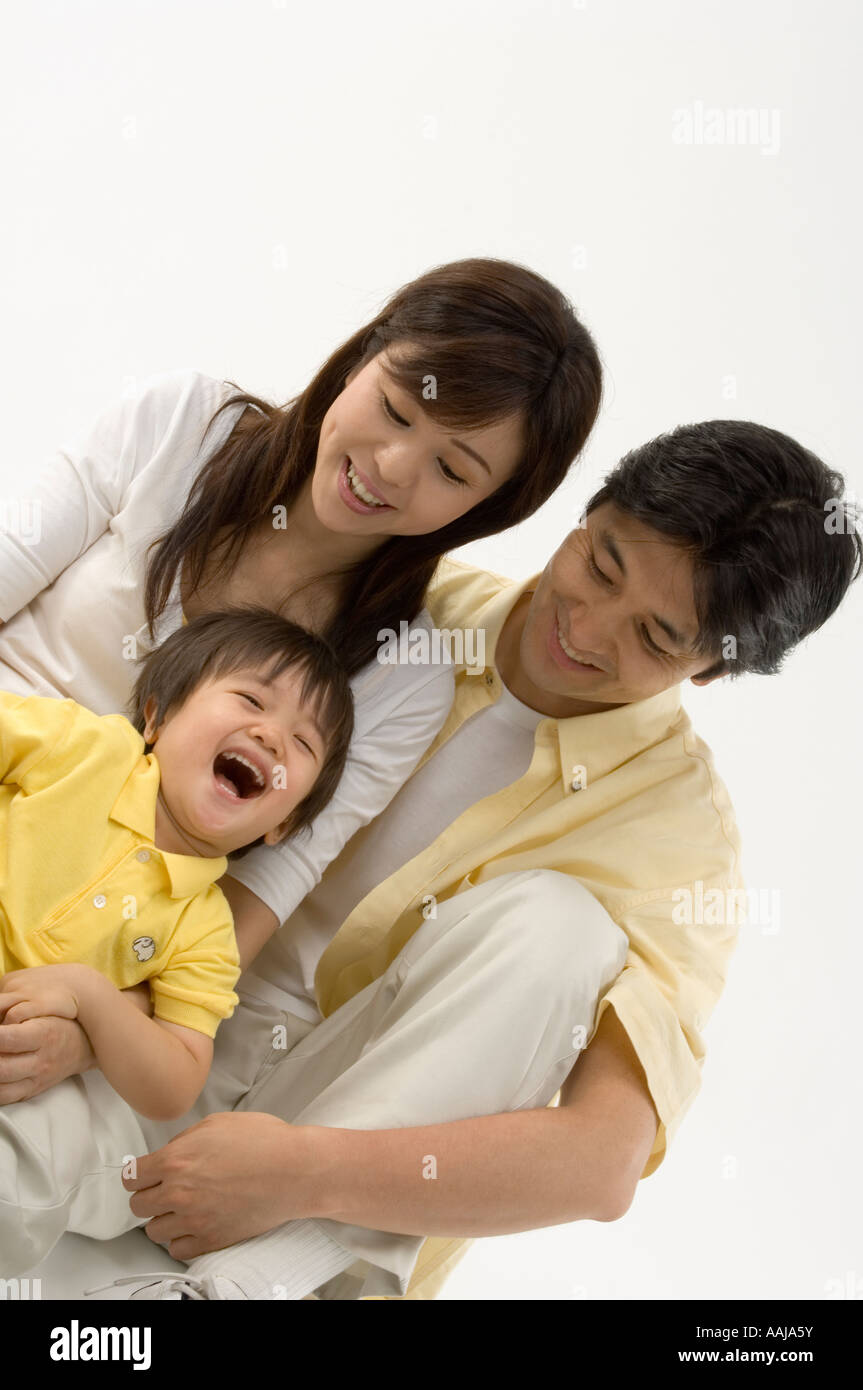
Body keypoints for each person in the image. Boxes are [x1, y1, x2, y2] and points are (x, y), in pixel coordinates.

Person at [6, 411, 859, 1299]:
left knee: (559, 927)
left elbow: (600, 1160)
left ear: (710, 672)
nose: (589, 629)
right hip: (138, 1038)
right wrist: (95, 1014)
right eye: (599, 565)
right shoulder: (399, 606)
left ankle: (236, 1291)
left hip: (321, 1159)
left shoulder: (679, 837)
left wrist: (304, 1169)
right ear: (585, 511)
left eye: (654, 638)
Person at [0, 257, 603, 1284]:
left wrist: (86, 1016)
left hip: (90, 955)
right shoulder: (183, 428)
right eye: (399, 404)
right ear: (367, 351)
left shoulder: (406, 664)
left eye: (454, 470)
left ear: (488, 508)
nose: (393, 466)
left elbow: (253, 898)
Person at [0, 607, 354, 1128]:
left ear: (285, 823)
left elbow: (175, 1087)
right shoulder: (85, 749)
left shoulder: (205, 931)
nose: (272, 736)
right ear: (158, 718)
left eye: (303, 744)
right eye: (252, 700)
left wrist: (92, 996)